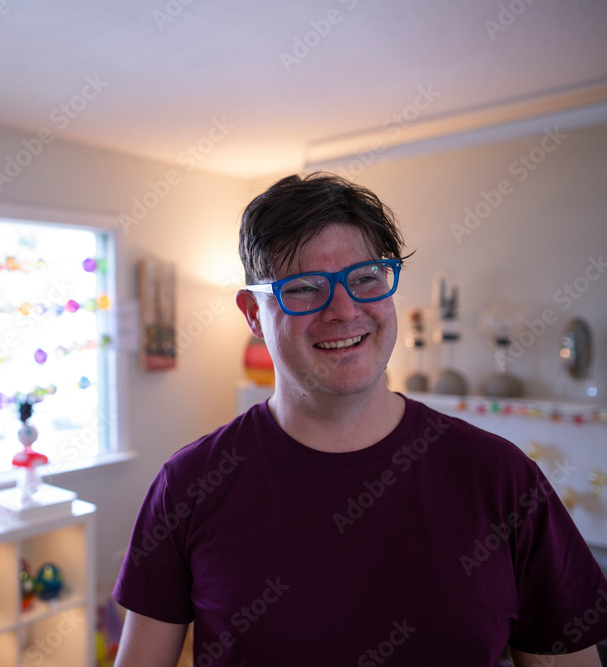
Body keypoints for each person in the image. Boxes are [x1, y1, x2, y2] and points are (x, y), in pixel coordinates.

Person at [112, 172, 607, 666]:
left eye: (366, 278)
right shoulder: (189, 485)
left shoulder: (501, 477)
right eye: (304, 288)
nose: (344, 309)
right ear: (252, 313)